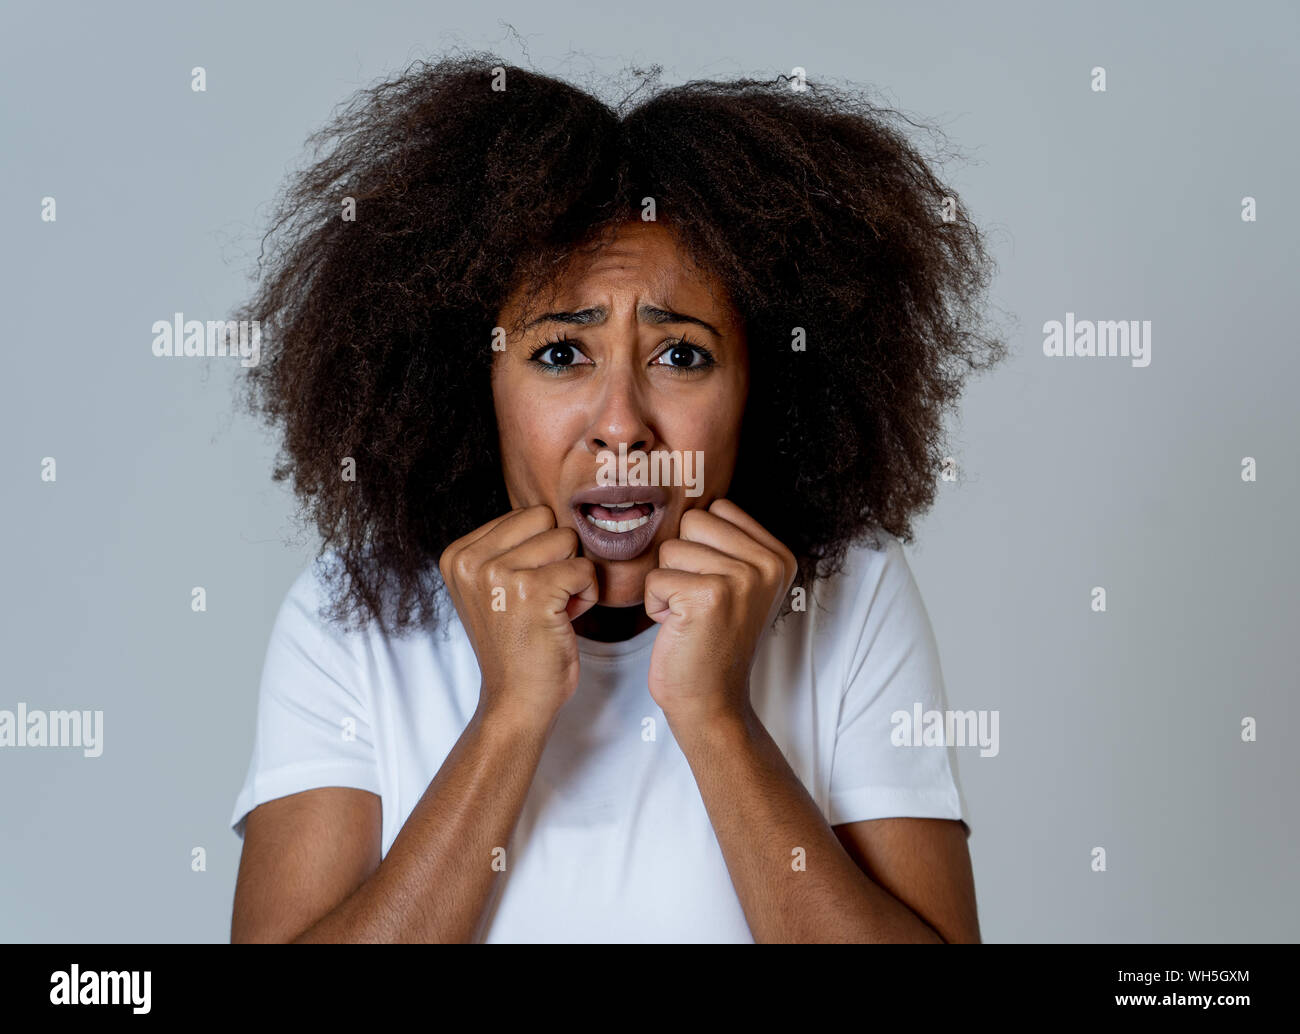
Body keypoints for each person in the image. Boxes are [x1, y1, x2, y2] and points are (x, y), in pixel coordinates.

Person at [227, 54, 1006, 943]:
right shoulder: (354, 614)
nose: (623, 426)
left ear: (764, 389)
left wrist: (716, 717)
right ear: (472, 383)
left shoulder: (848, 594)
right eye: (561, 353)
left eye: (682, 355)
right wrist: (508, 716)